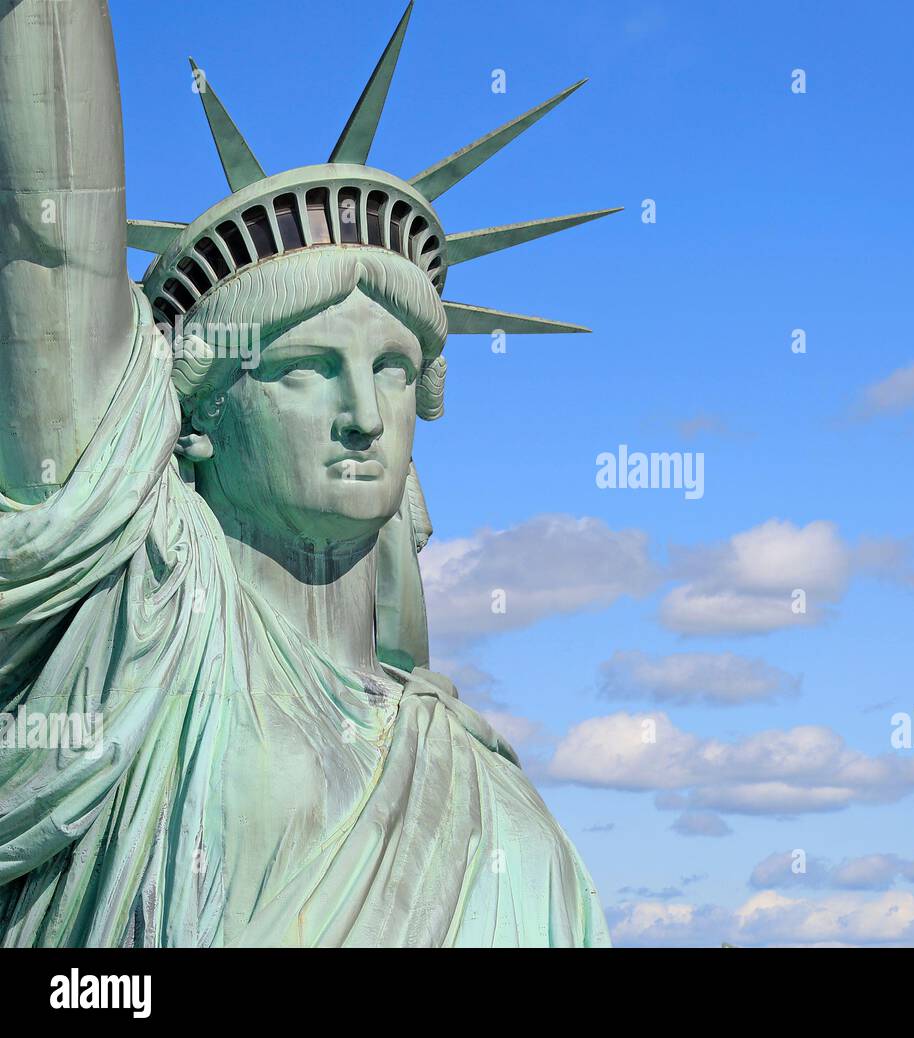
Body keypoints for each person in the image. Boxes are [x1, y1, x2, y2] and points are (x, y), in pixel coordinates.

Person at [0, 0, 612, 947]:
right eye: (304, 370)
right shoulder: (152, 622)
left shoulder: (487, 784)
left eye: (393, 372)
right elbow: (50, 246)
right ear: (195, 412)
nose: (365, 415)